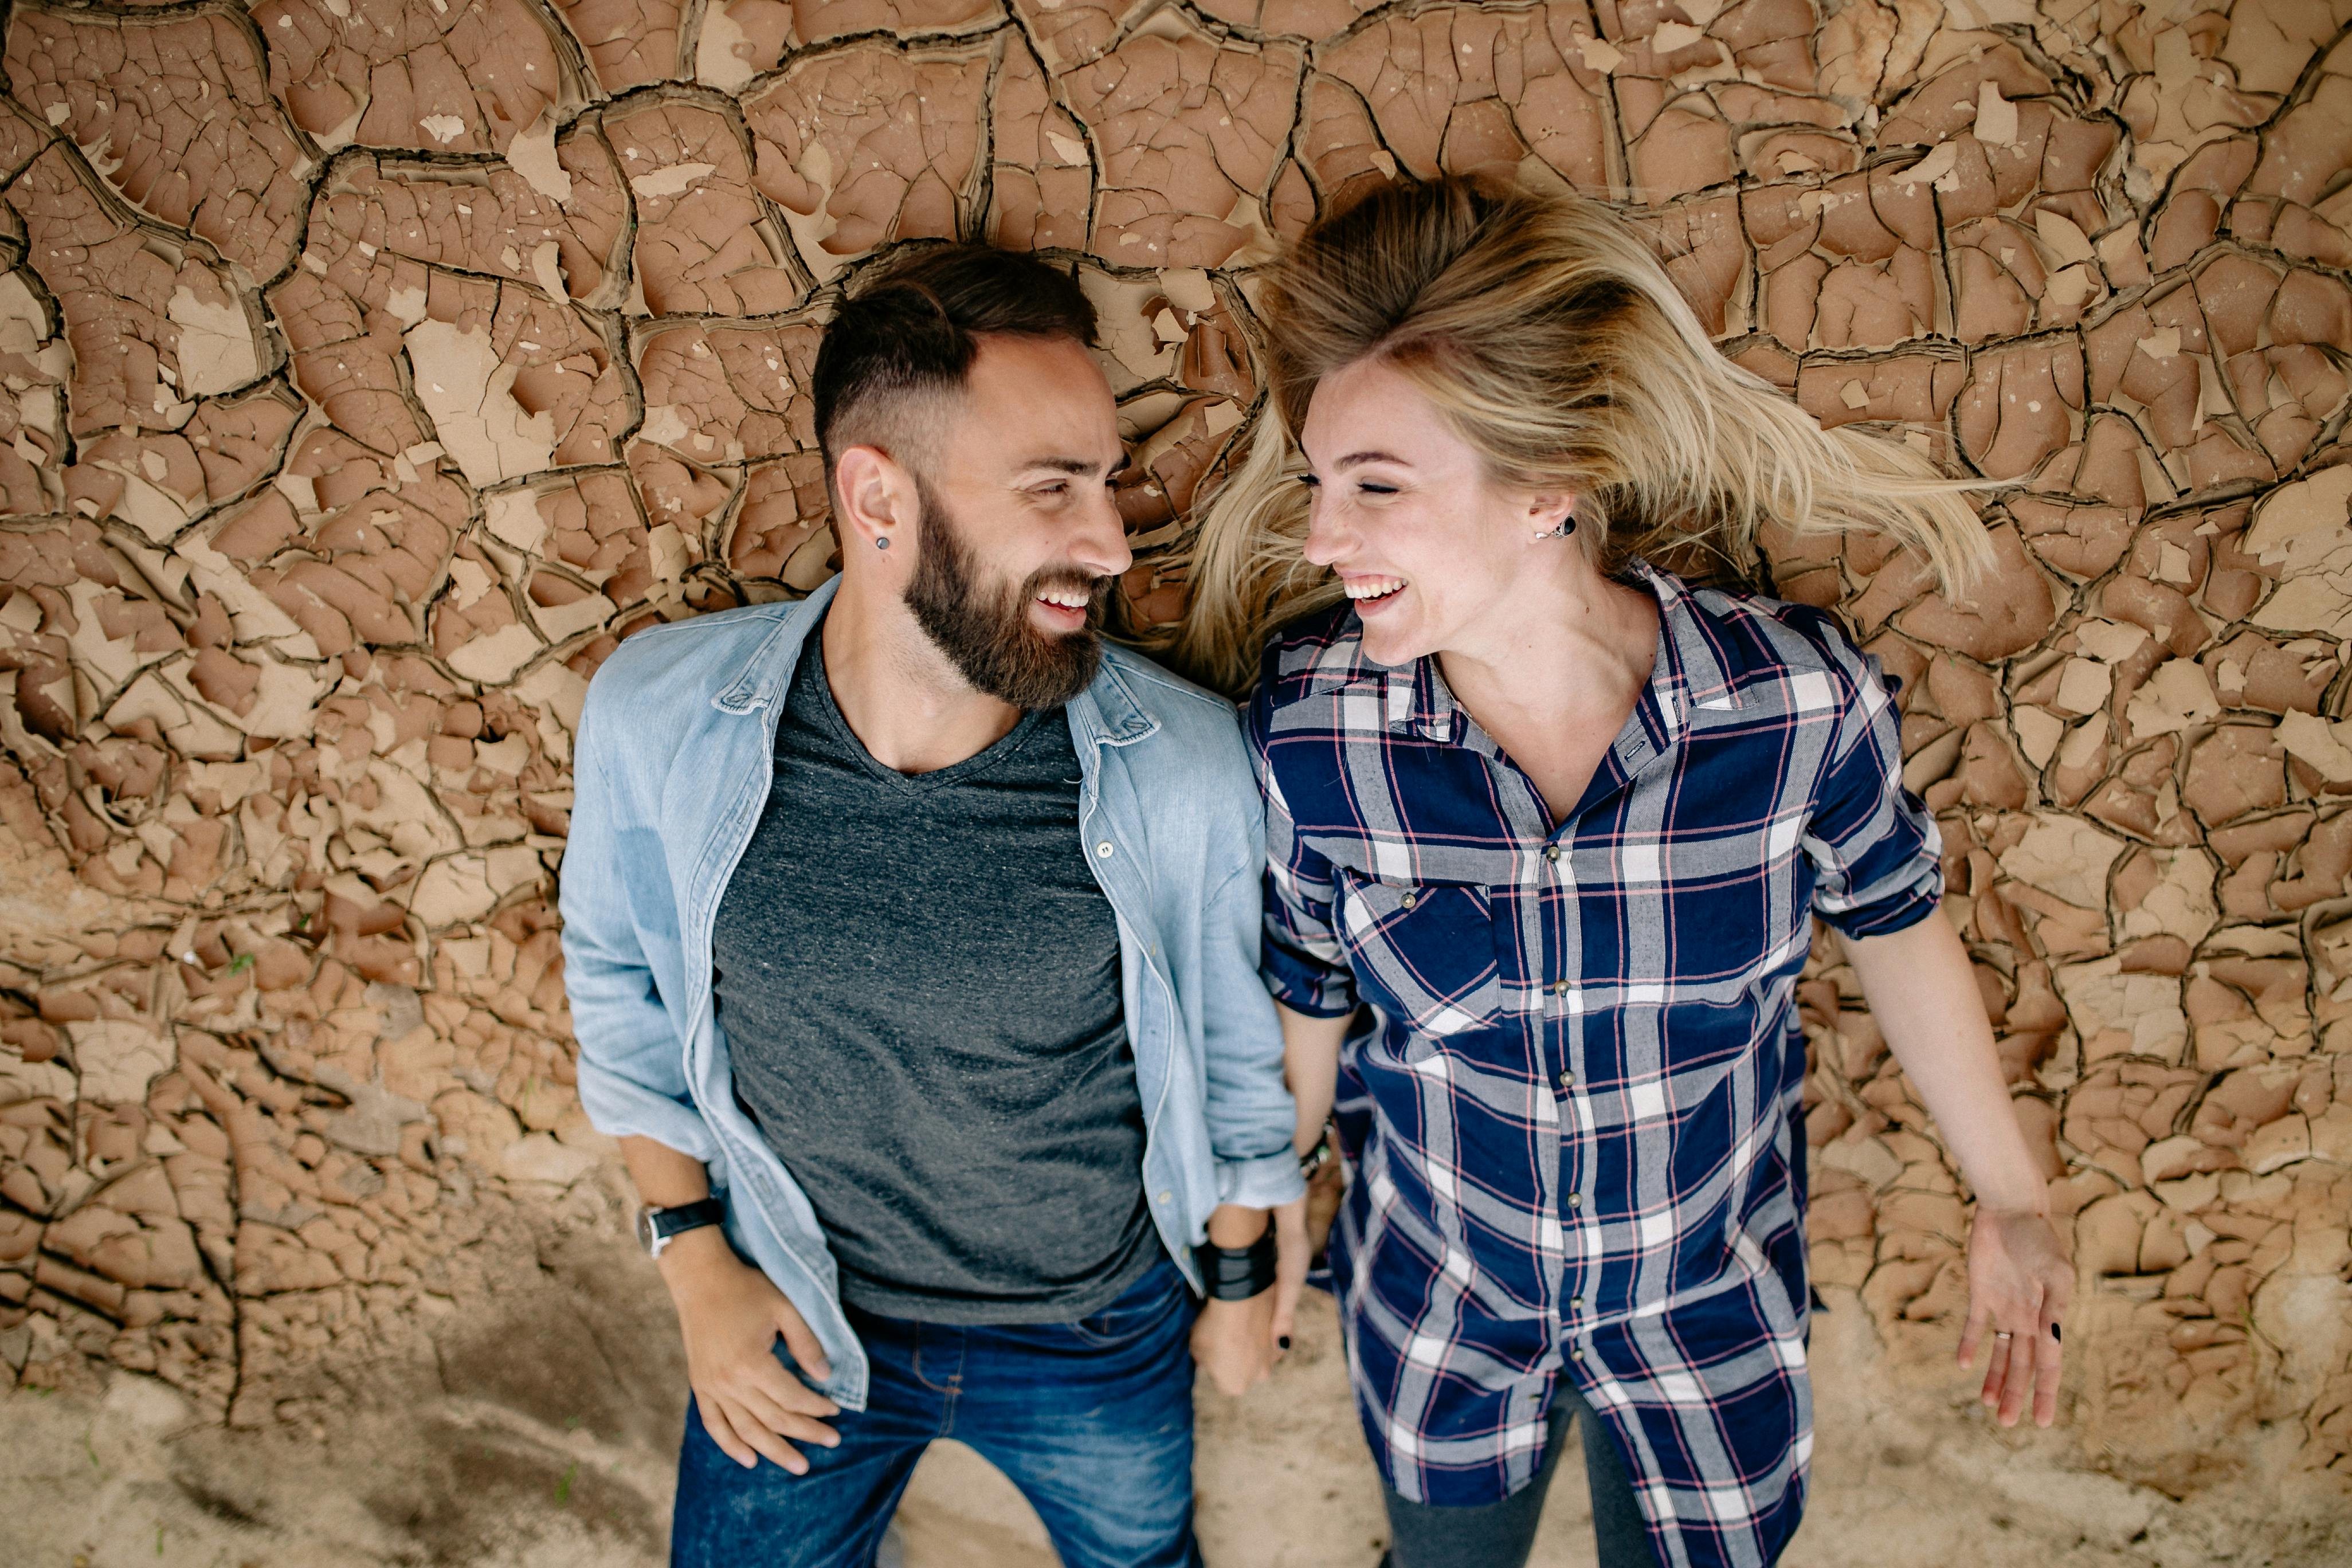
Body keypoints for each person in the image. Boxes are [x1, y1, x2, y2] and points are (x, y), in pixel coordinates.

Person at [1171, 178, 2072, 1568]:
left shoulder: (1791, 709)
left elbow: (1898, 929)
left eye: (1377, 487)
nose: (1321, 539)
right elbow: (1309, 994)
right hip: (1444, 1314)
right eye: (1318, 482)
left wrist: (2015, 1202)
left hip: (1705, 1319)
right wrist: (1258, 1223)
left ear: (1546, 489)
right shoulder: (1314, 733)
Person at [558, 242, 1305, 1568]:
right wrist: (694, 1265)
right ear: (877, 497)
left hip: (1097, 1331)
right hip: (798, 1309)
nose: (1110, 544)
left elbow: (1236, 1042)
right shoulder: (660, 717)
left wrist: (1240, 1280)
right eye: (1052, 488)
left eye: (1109, 484)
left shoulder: (1184, 770)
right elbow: (617, 984)